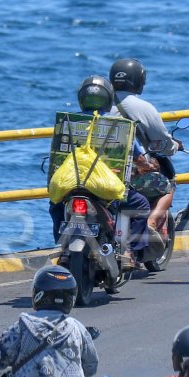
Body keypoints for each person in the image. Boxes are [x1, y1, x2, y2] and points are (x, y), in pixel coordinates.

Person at [48, 75, 151, 267]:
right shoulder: (120, 125)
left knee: (56, 207)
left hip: (71, 185)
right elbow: (138, 158)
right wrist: (146, 165)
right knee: (140, 204)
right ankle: (129, 251)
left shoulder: (68, 122)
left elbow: (57, 153)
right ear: (108, 99)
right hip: (105, 188)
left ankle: (61, 248)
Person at [109, 59, 180, 250]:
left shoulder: (101, 106)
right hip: (130, 177)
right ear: (139, 81)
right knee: (167, 186)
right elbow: (163, 142)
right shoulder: (143, 108)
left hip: (100, 173)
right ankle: (151, 223)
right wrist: (174, 147)